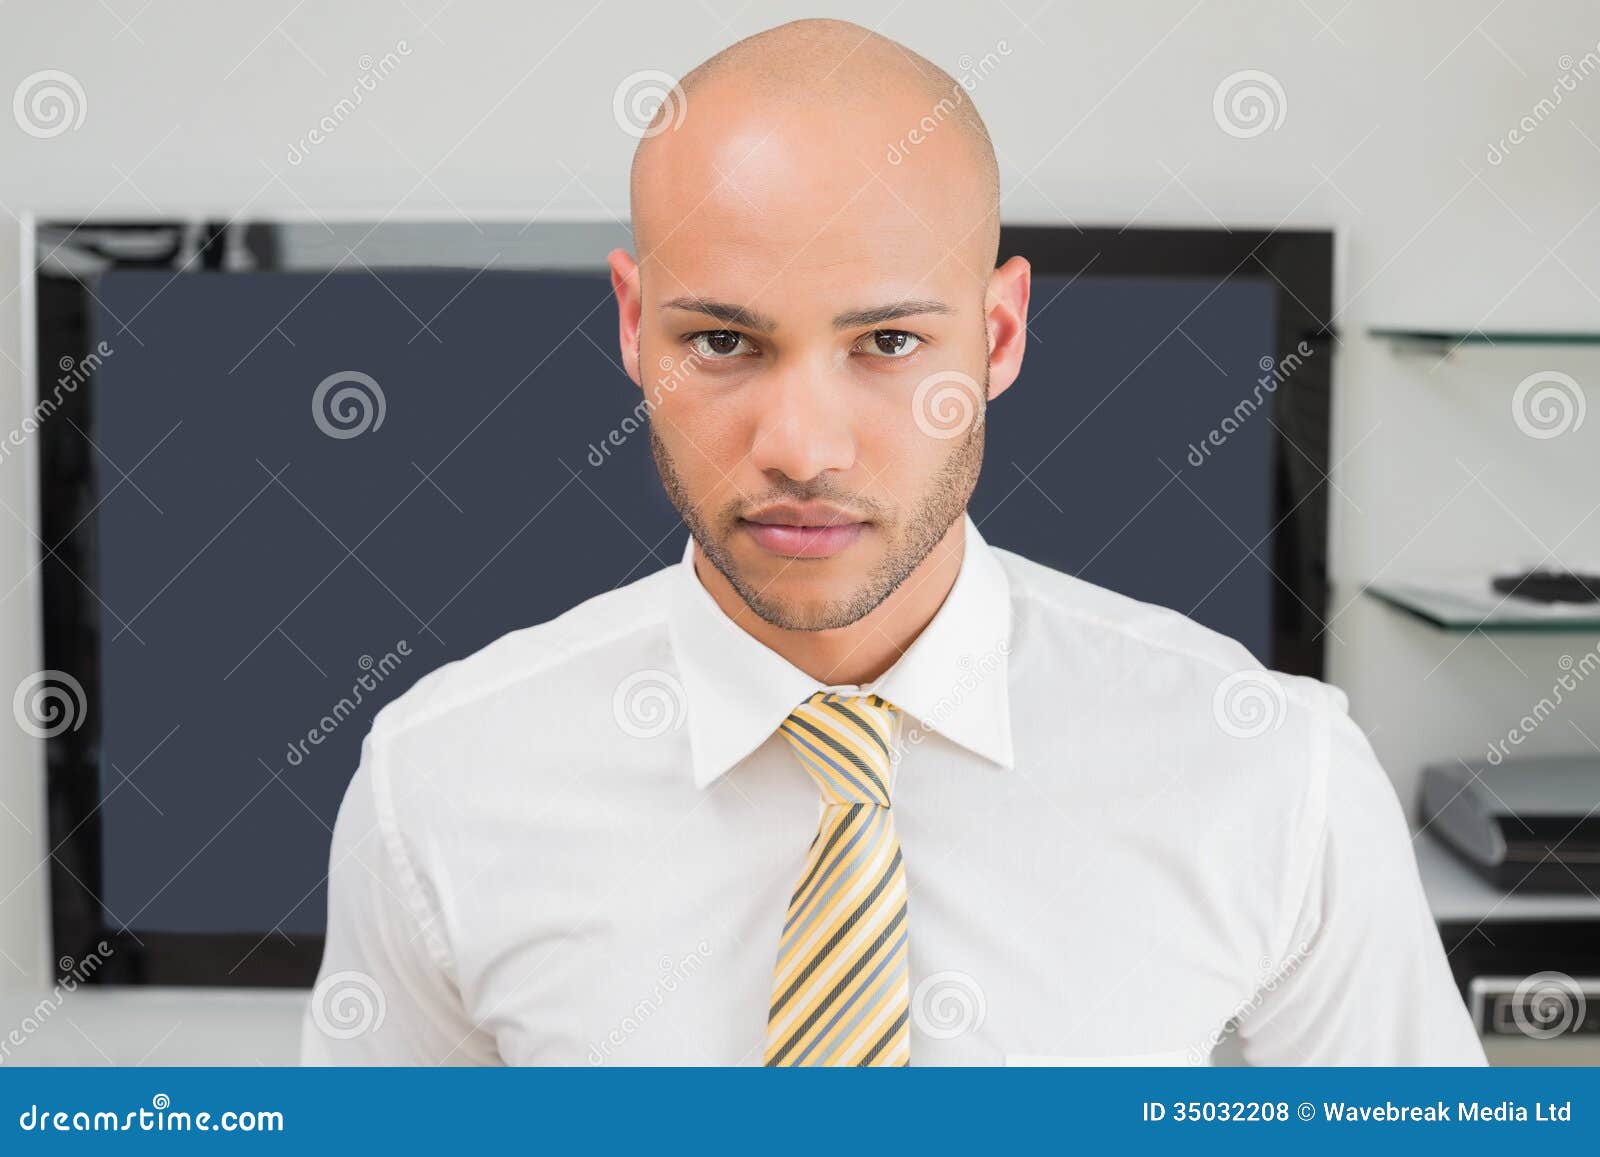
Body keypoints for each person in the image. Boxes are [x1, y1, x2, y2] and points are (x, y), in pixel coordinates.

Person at [302, 18, 1485, 1066]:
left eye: (887, 343)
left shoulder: (1274, 771)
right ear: (631, 324)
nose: (802, 446)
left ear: (1000, 332)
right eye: (721, 341)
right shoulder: (438, 787)